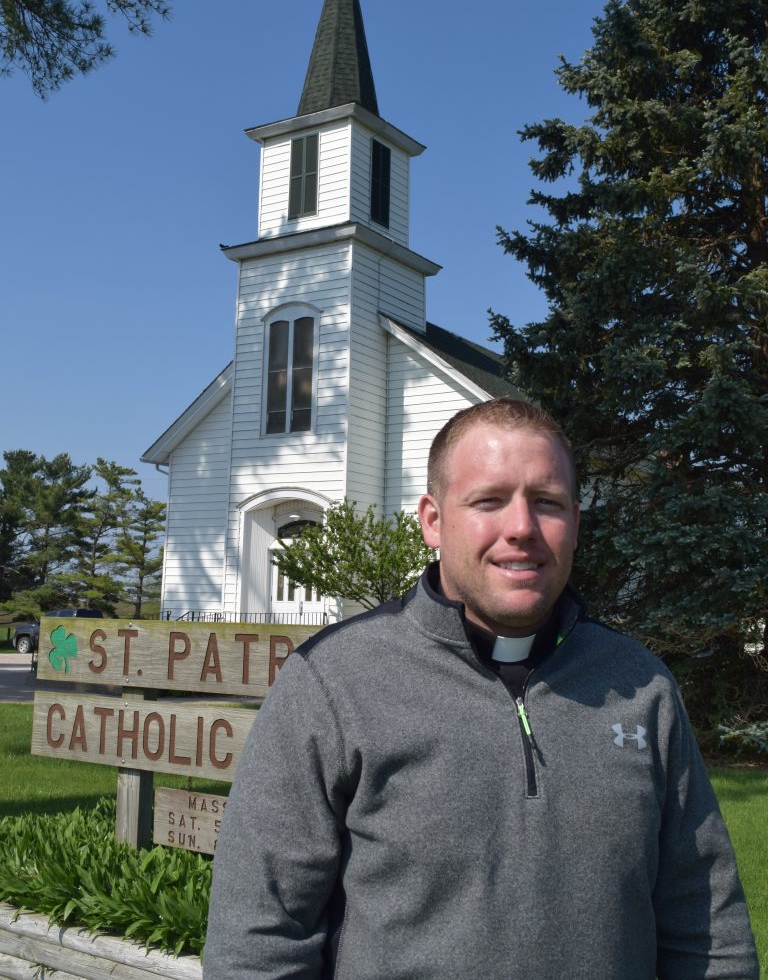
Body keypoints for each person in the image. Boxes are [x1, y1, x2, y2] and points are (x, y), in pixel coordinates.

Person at [205, 398, 758, 980]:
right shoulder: (332, 683)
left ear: (575, 522)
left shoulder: (641, 686)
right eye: (488, 501)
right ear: (433, 521)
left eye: (546, 503)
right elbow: (258, 942)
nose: (521, 528)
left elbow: (706, 926)